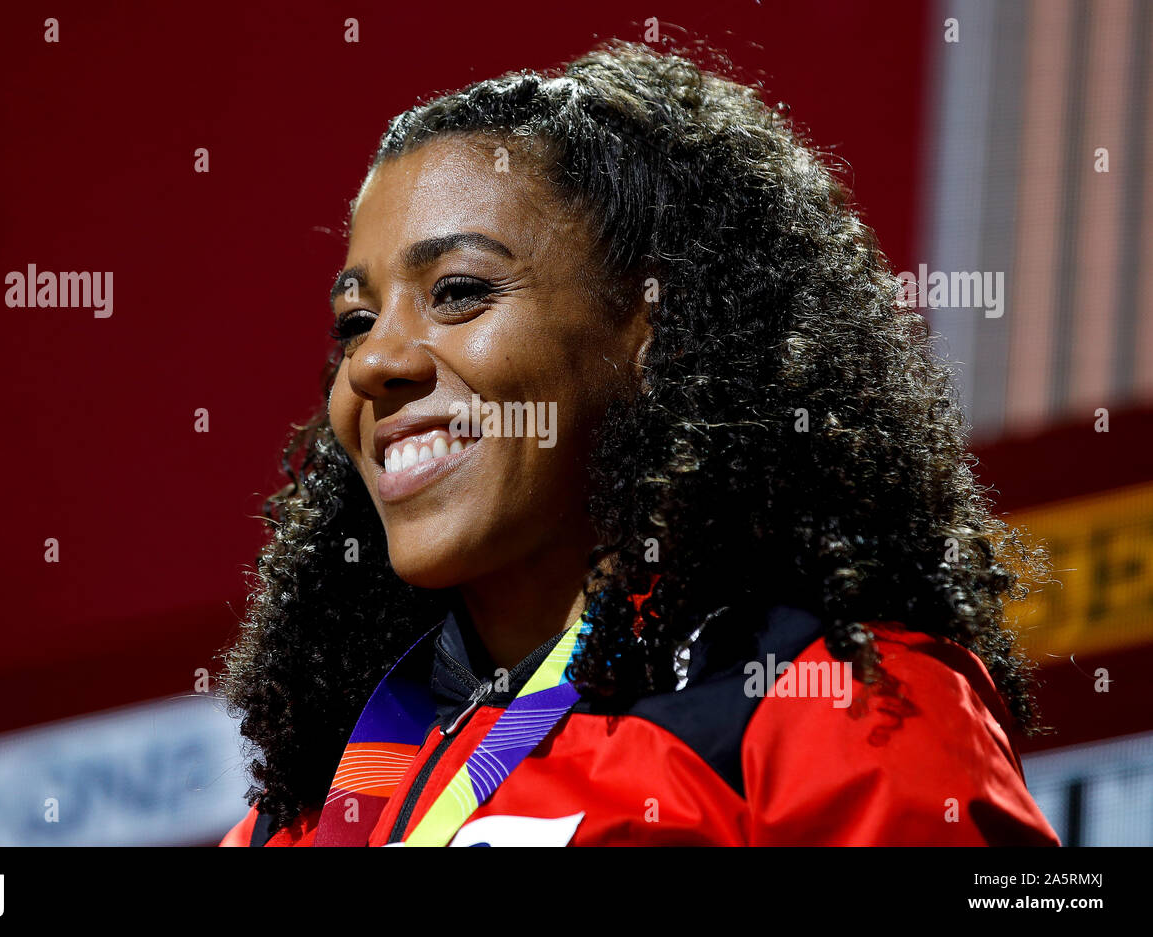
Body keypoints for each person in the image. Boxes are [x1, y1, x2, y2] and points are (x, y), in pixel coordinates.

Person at [220, 42, 1059, 846]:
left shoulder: (832, 702)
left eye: (459, 292)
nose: (373, 361)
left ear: (657, 326)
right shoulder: (301, 816)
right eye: (355, 324)